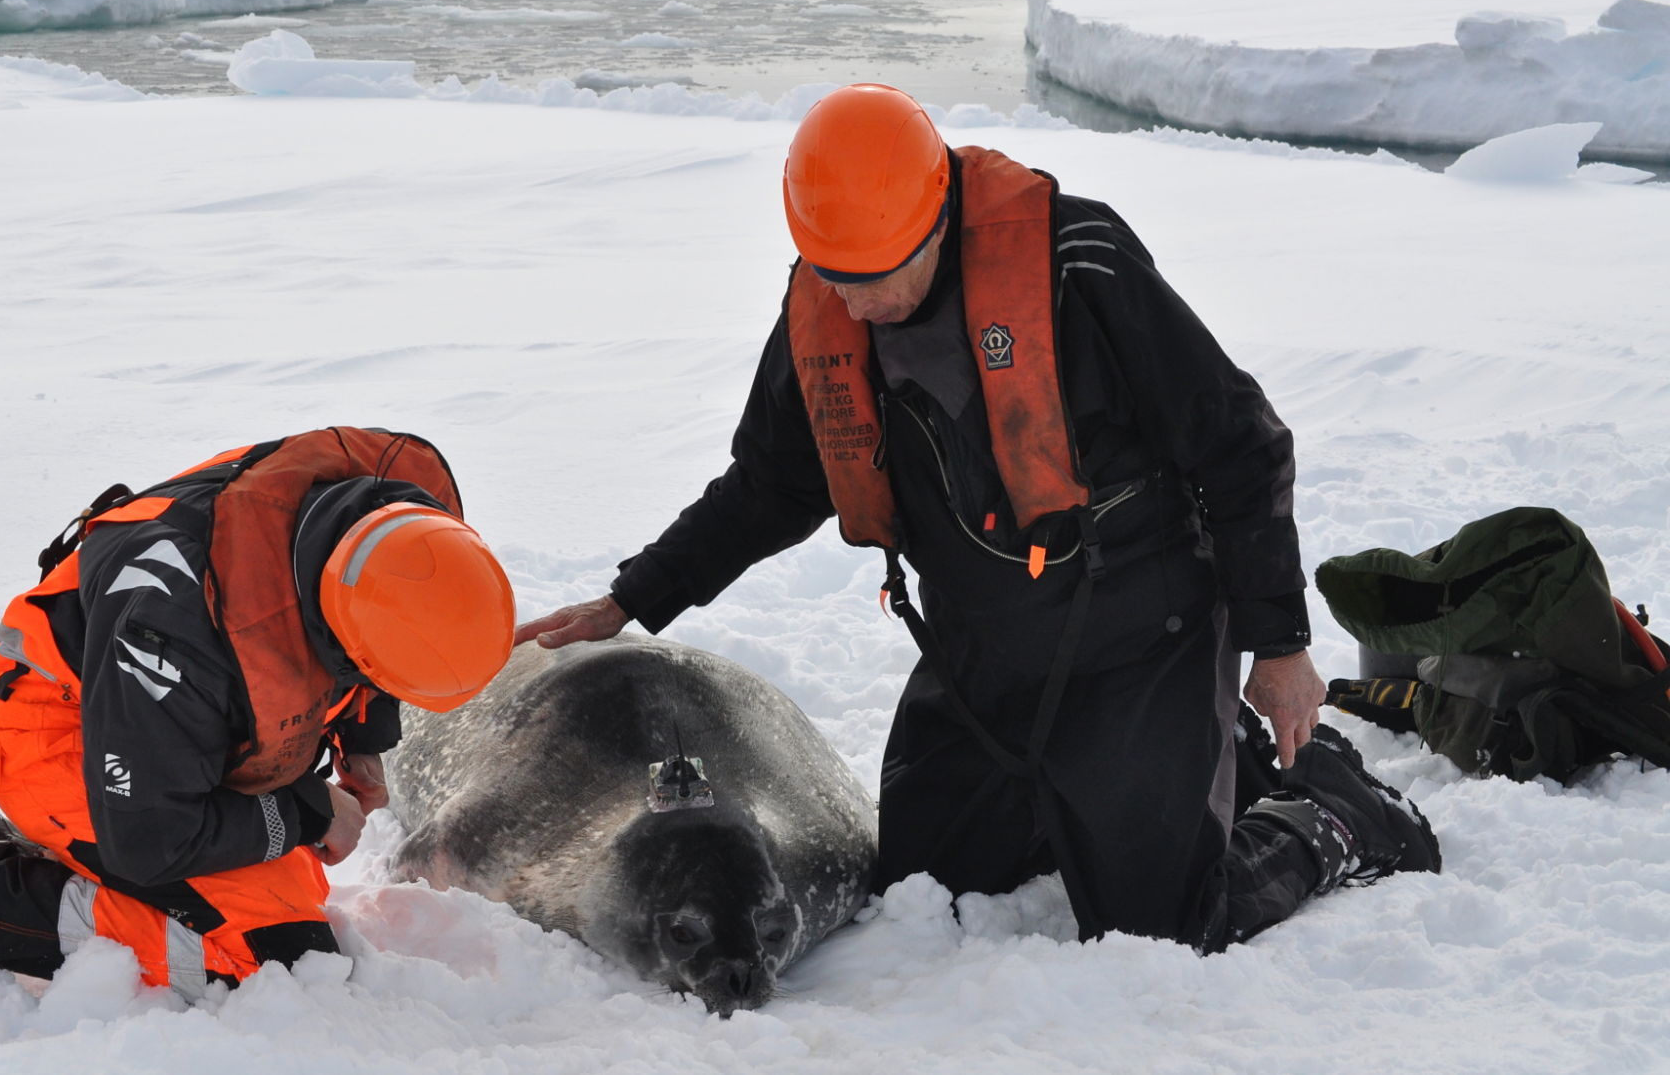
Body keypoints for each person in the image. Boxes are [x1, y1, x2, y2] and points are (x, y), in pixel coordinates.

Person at [517, 84, 1439, 951]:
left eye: (876, 276)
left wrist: (1279, 647)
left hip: (1142, 641)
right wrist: (631, 599)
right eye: (833, 273)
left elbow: (1241, 445)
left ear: (940, 219)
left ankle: (1333, 807)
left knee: (1161, 925)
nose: (855, 302)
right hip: (984, 658)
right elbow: (770, 486)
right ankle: (1197, 759)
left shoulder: (1079, 266)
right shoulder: (830, 304)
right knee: (923, 886)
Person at [0, 427, 515, 995]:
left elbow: (380, 639)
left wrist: (363, 740)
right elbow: (153, 840)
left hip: (181, 734)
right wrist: (312, 808)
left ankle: (25, 843)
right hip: (67, 733)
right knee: (272, 959)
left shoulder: (387, 522)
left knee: (296, 892)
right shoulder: (171, 627)